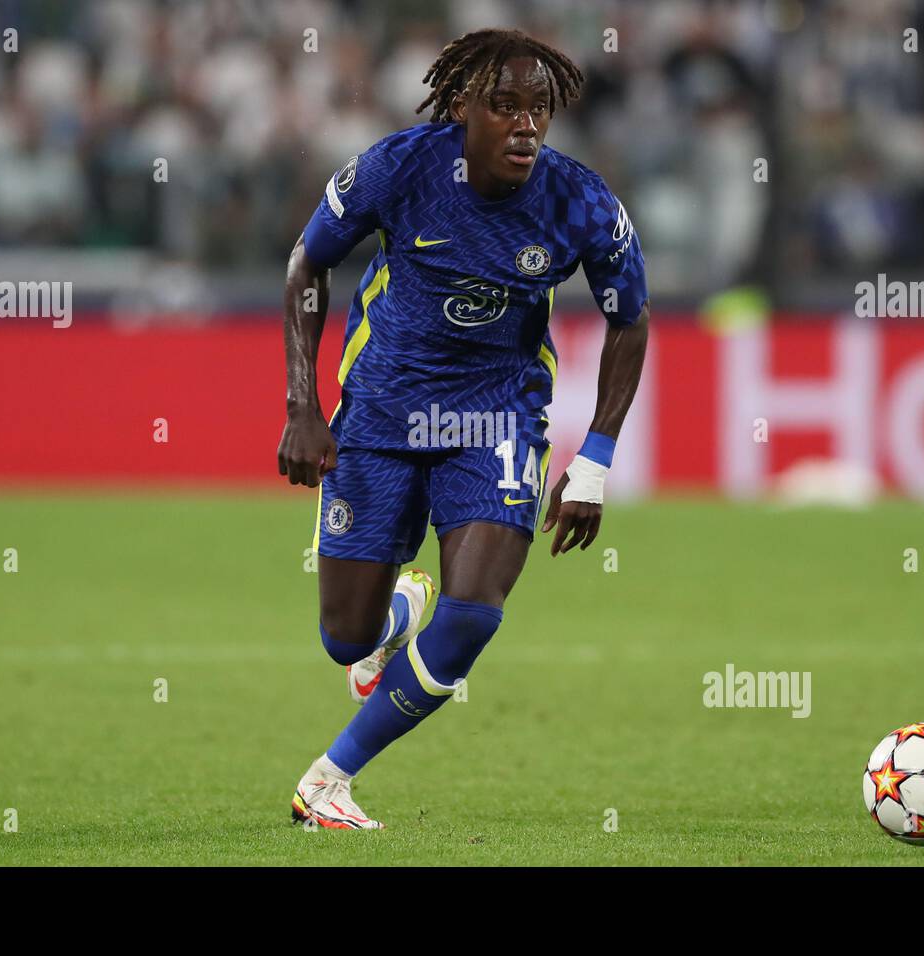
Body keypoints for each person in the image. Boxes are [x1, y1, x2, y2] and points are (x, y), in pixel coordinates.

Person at [277, 28, 649, 828]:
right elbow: (308, 265)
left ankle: (329, 781)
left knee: (475, 609)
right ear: (460, 107)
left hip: (496, 417)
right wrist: (303, 406)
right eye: (504, 105)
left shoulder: (580, 202)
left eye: (539, 109)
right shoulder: (401, 166)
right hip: (379, 409)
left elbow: (630, 320)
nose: (525, 125)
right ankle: (395, 617)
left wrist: (595, 461)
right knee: (346, 641)